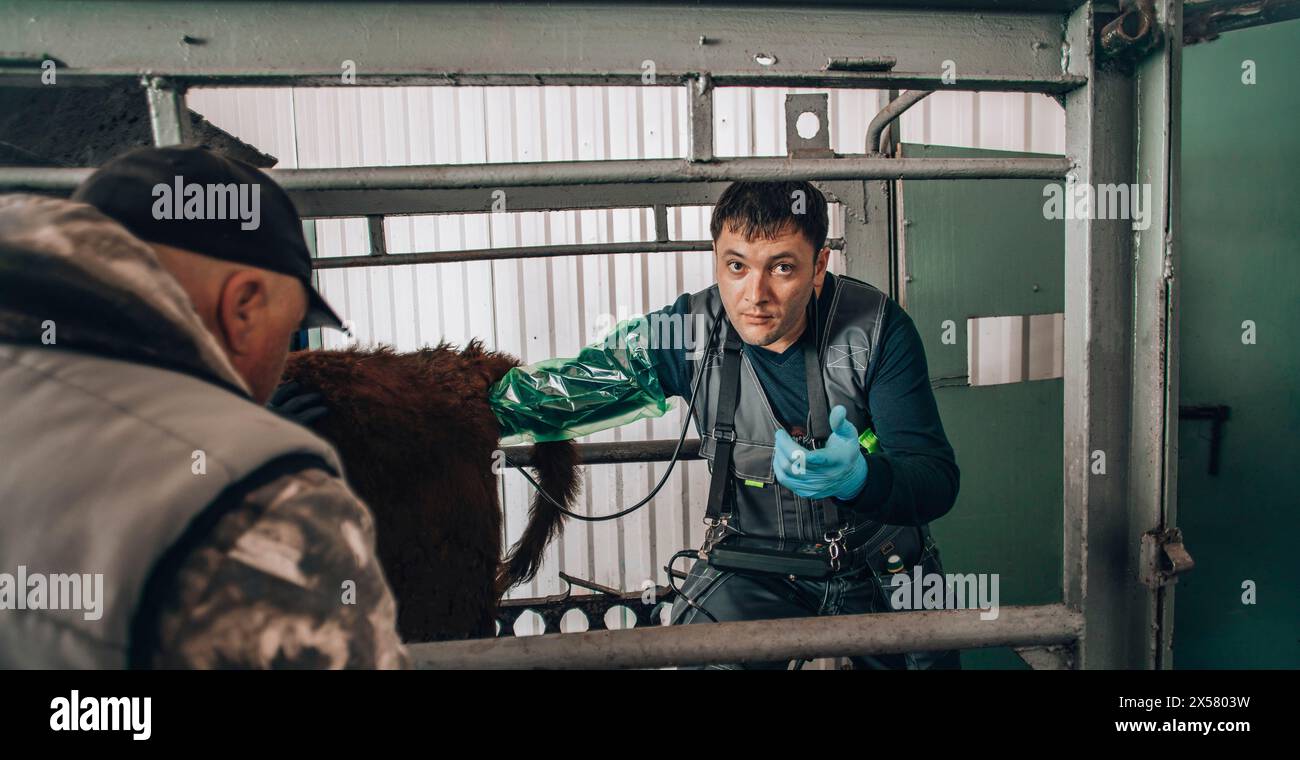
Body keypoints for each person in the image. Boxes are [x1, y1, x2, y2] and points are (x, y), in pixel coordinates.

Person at [490, 181, 960, 669]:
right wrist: (454, 404)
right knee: (700, 658)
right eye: (736, 266)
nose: (754, 296)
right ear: (717, 259)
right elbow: (566, 391)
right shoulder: (686, 332)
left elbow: (937, 481)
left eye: (781, 267)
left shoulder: (876, 329)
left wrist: (862, 480)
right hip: (753, 563)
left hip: (879, 558)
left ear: (819, 266)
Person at [0, 146, 408, 668]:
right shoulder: (261, 504)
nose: (284, 362)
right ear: (244, 307)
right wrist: (235, 455)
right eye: (289, 333)